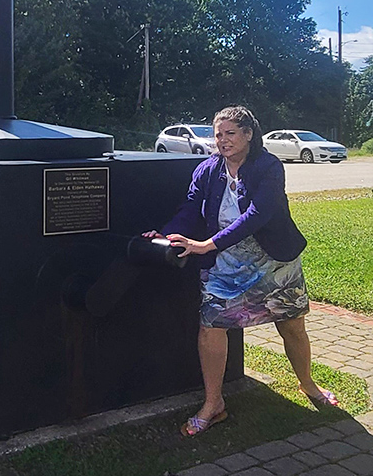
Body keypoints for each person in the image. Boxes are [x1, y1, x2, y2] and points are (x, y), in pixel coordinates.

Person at [144, 105, 338, 438]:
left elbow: (259, 213)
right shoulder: (207, 170)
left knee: (291, 325)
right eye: (218, 134)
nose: (222, 140)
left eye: (230, 133)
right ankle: (213, 404)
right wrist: (167, 233)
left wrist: (208, 245)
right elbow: (191, 208)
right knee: (211, 326)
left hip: (273, 261)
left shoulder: (269, 166)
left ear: (249, 134)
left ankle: (308, 385)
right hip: (226, 263)